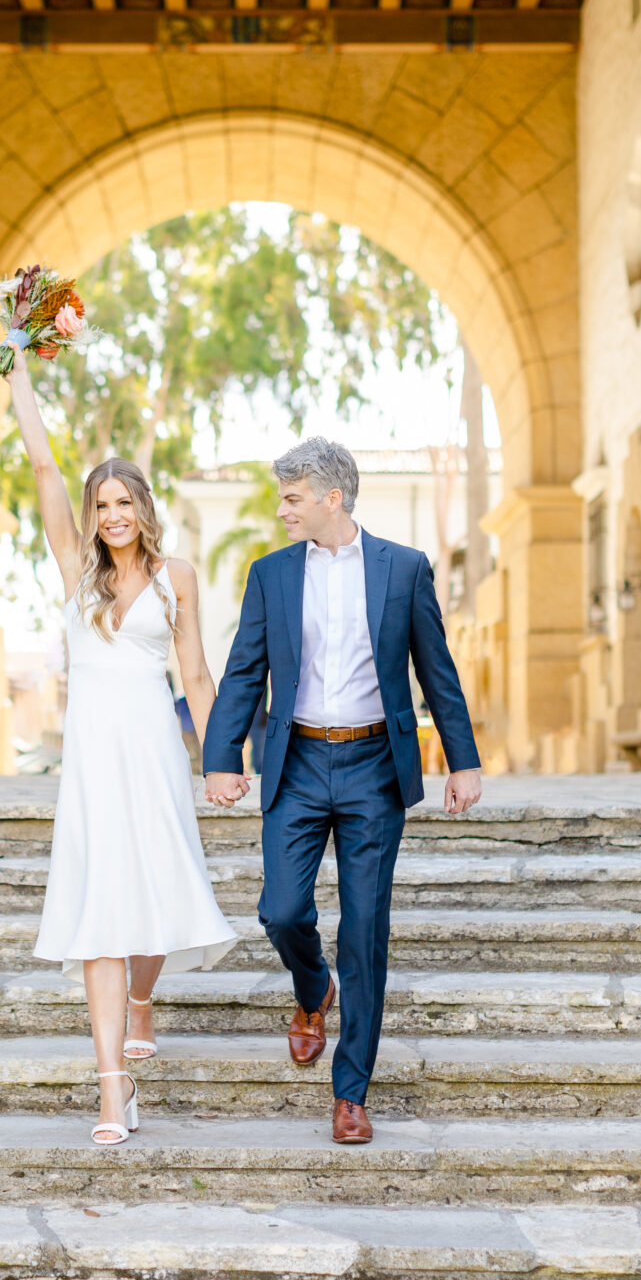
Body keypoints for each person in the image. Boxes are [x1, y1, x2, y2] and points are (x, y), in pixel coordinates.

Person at [204, 437, 481, 1146]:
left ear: (333, 498)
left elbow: (436, 670)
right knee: (281, 909)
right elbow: (243, 671)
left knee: (365, 933)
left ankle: (351, 1092)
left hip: (372, 769)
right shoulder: (270, 575)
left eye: (292, 498)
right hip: (295, 764)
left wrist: (463, 760)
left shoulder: (403, 569)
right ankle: (311, 989)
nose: (281, 510)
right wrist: (222, 755)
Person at [6, 346, 236, 1147]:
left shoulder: (178, 575)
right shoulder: (76, 572)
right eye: (99, 503)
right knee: (104, 916)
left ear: (141, 506)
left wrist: (220, 760)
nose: (110, 516)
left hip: (155, 758)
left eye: (121, 502)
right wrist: (17, 373)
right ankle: (114, 1091)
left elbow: (198, 673)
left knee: (158, 901)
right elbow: (40, 464)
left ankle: (144, 1001)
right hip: (93, 767)